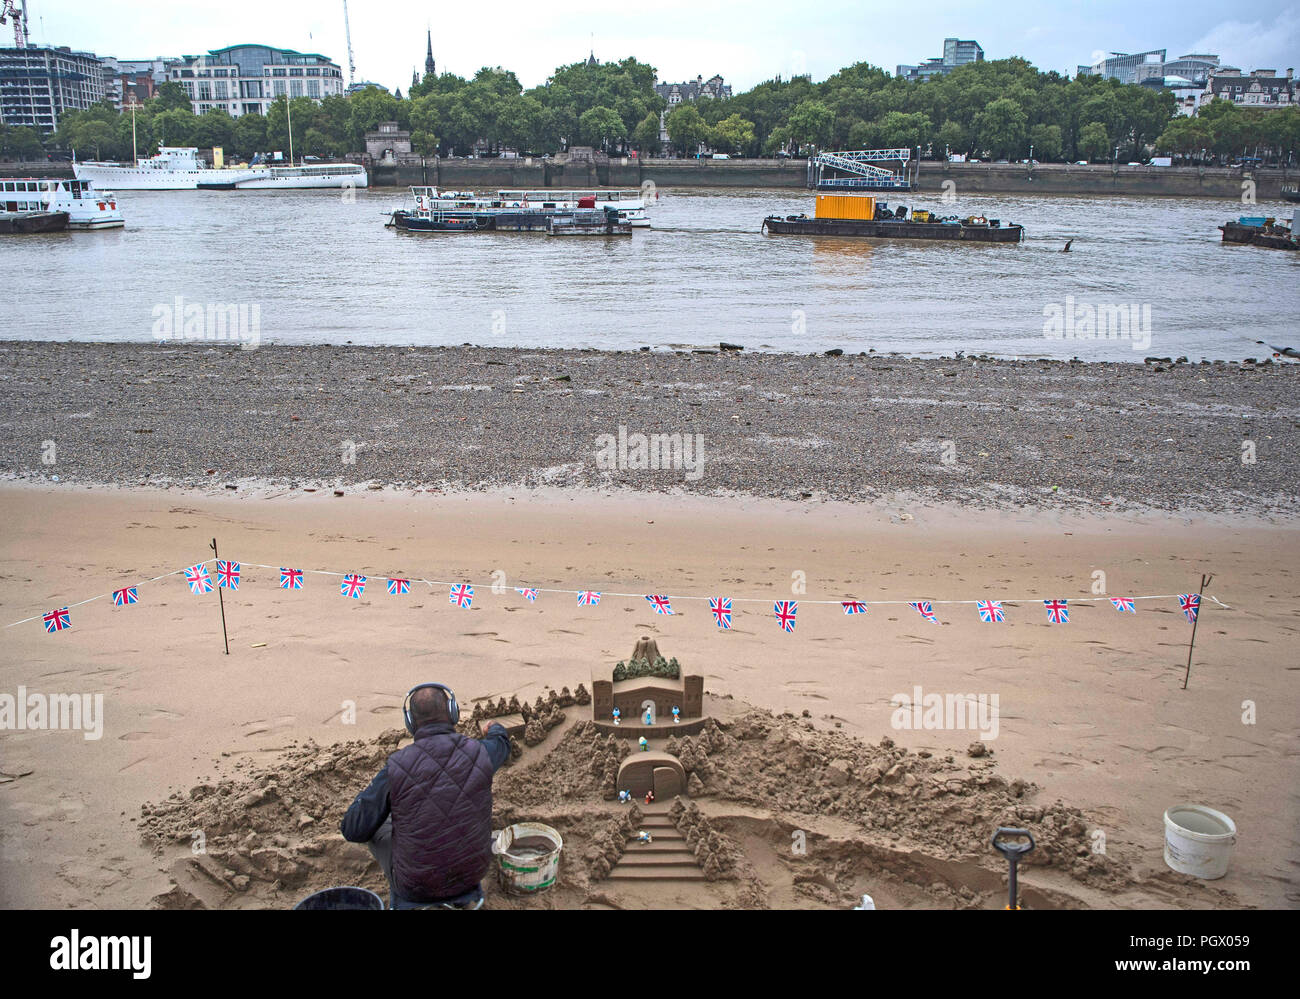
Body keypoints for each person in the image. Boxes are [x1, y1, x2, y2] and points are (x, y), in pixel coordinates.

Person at [341, 683, 511, 909]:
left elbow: (353, 829)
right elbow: (501, 743)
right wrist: (495, 728)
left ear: (410, 723)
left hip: (416, 887)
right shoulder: (480, 752)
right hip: (472, 873)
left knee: (378, 825)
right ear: (453, 713)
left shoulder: (396, 766)